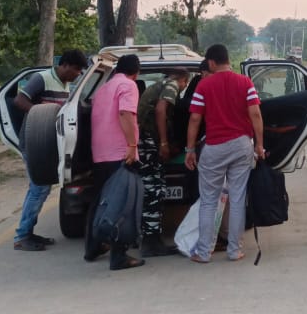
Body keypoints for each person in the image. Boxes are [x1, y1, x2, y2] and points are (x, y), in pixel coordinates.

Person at [184, 44, 265, 263]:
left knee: (209, 200)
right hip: (241, 145)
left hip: (215, 147)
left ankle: (203, 252)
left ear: (211, 62)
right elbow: (255, 114)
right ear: (228, 60)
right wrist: (259, 145)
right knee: (237, 198)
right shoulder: (245, 82)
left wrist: (190, 149)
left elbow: (194, 119)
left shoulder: (204, 85)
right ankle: (234, 250)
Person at [12, 49, 86, 251]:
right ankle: (22, 236)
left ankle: (27, 232)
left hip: (47, 144)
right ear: (66, 65)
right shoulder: (42, 78)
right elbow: (19, 100)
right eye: (77, 70)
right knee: (39, 189)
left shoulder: (66, 84)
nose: (78, 74)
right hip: (34, 142)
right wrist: (41, 114)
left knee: (40, 189)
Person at [84, 54, 145, 270]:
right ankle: (119, 256)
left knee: (100, 202)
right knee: (122, 205)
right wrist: (132, 146)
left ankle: (92, 248)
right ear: (136, 72)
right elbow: (125, 114)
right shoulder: (128, 86)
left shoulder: (104, 88)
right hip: (120, 153)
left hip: (100, 153)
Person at [134, 67, 190, 257]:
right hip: (149, 140)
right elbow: (160, 109)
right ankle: (150, 243)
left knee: (151, 188)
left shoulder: (159, 84)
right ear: (184, 80)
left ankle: (150, 237)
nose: (183, 87)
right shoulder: (172, 84)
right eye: (185, 84)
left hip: (143, 140)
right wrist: (164, 142)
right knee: (154, 190)